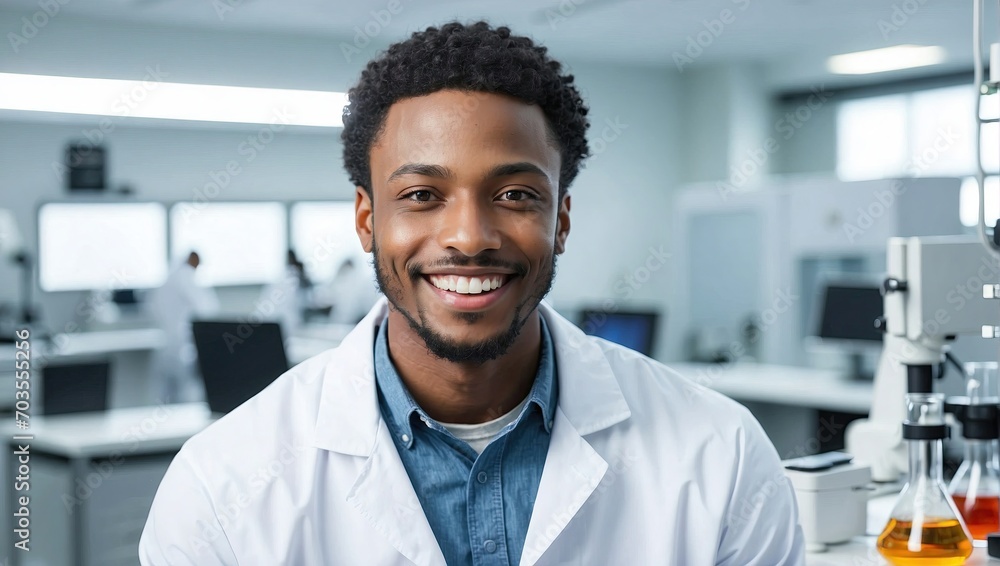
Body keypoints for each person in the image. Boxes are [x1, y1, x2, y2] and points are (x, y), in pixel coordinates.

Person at [140, 22, 804, 565]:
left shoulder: (721, 455)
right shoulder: (222, 484)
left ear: (560, 220)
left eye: (515, 194)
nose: (468, 237)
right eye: (421, 195)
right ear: (367, 219)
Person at [147, 251, 219, 403]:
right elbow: (207, 309)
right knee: (187, 397)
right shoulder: (187, 278)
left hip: (166, 346)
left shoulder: (168, 279)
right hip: (185, 348)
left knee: (164, 398)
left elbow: (153, 308)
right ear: (193, 260)